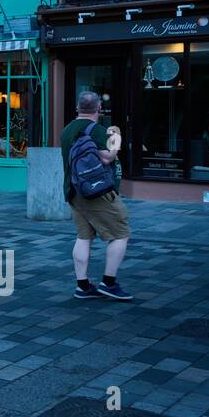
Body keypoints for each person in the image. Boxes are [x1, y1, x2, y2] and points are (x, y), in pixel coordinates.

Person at [62, 91, 132, 300]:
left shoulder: (66, 131)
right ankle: (108, 283)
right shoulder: (99, 130)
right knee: (120, 233)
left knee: (84, 237)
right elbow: (108, 158)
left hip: (73, 191)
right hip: (97, 191)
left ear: (77, 108)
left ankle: (82, 286)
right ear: (99, 109)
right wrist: (116, 140)